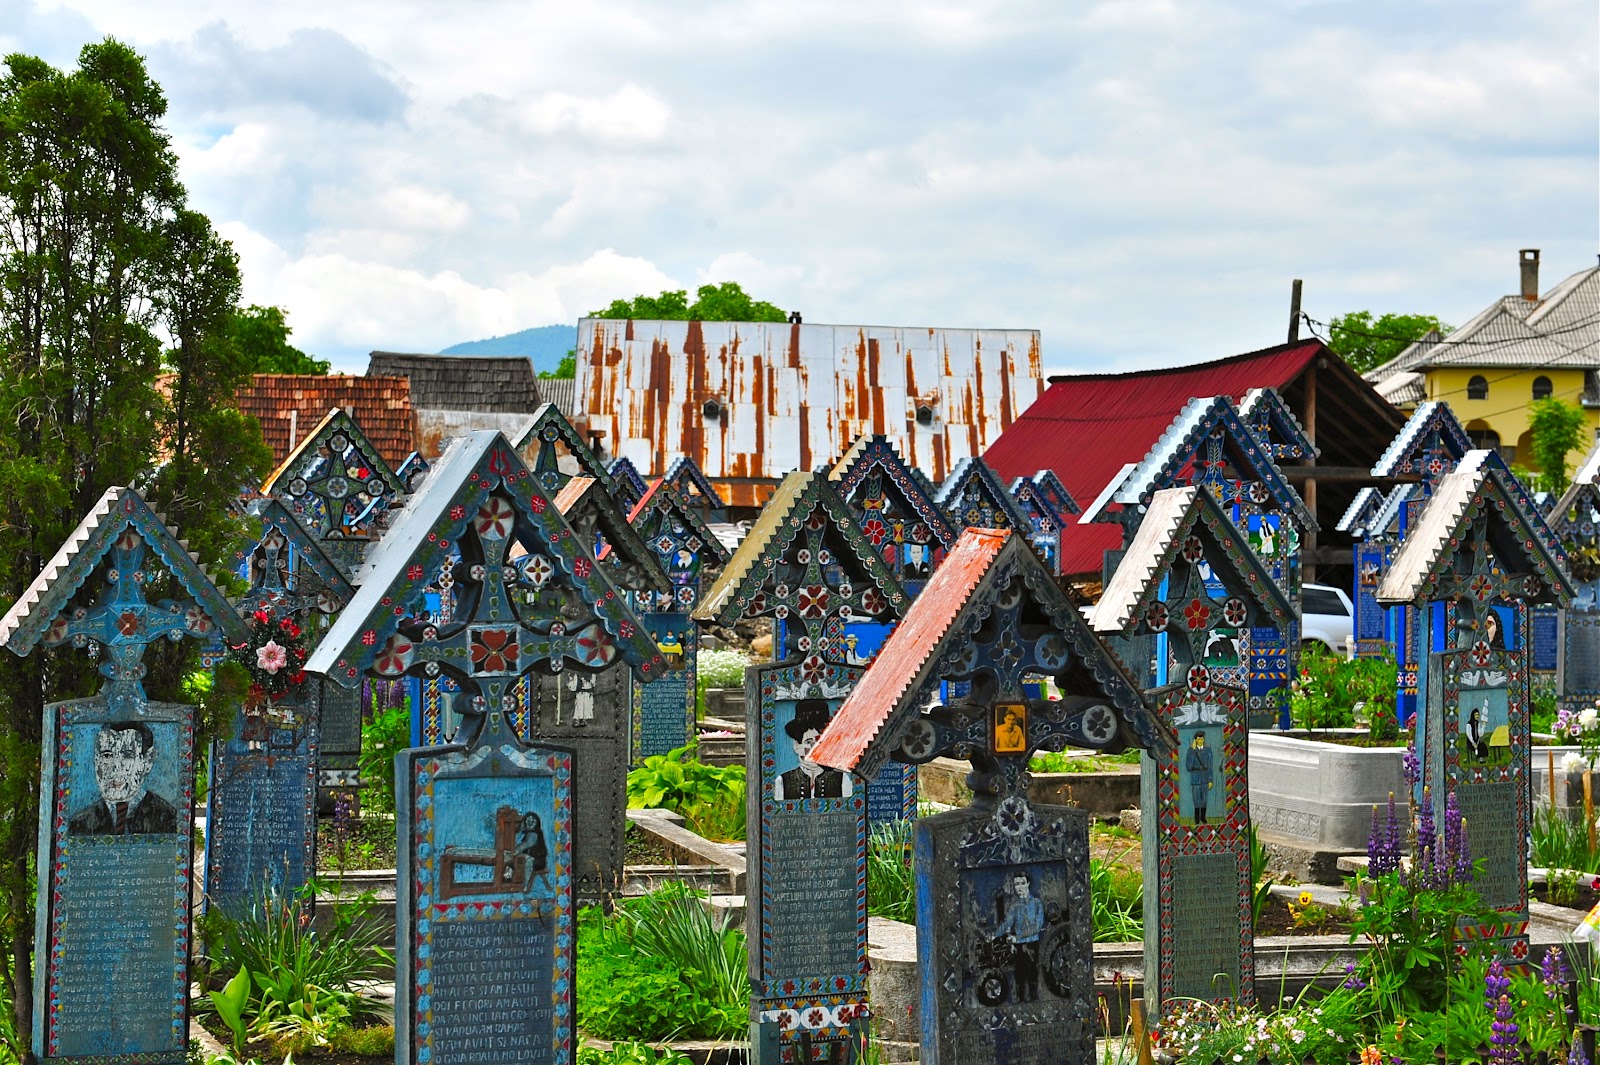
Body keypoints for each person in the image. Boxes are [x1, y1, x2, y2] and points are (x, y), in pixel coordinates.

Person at [69, 721, 177, 836]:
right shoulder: (79, 824)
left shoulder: (169, 819)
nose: (115, 767)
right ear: (96, 760)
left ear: (147, 761)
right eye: (107, 755)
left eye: (127, 756)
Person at [775, 700, 851, 800]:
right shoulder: (782, 782)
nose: (814, 750)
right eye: (808, 742)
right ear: (797, 746)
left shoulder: (842, 780)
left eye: (819, 742)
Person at [993, 871, 1045, 1002]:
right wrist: (994, 935)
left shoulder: (1037, 903)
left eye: (1022, 883)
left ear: (1028, 883)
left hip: (1032, 946)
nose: (1020, 887)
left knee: (1033, 975)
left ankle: (1034, 1001)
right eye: (1017, 884)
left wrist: (1018, 937)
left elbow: (1037, 927)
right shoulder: (1014, 906)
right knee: (1019, 977)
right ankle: (1020, 1003)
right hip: (1018, 947)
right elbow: (1007, 924)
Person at [1185, 732, 1215, 825]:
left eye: (1202, 739)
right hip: (1195, 778)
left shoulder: (1208, 750)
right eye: (1198, 739)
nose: (1200, 741)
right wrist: (1193, 751)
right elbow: (1189, 766)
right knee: (1196, 800)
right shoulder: (1191, 750)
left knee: (1204, 799)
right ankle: (1197, 818)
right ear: (1195, 740)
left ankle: (1203, 817)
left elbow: (1210, 765)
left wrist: (1210, 780)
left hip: (1205, 778)